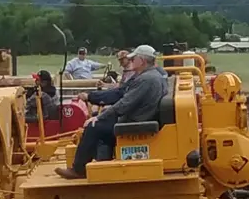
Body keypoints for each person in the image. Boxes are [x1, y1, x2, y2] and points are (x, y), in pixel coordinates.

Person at [55, 45, 167, 179]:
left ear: (142, 61)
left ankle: (78, 170)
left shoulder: (146, 79)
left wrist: (101, 117)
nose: (131, 61)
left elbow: (124, 104)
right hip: (141, 117)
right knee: (100, 121)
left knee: (93, 126)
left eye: (134, 58)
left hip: (135, 121)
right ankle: (104, 163)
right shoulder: (154, 75)